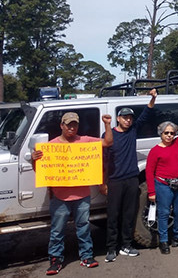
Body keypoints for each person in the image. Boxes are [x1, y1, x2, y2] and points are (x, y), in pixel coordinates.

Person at [33, 112, 114, 275]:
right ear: (61, 126)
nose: (72, 128)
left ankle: (87, 256)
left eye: (75, 125)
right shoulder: (51, 146)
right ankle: (55, 260)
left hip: (82, 196)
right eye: (68, 125)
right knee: (57, 231)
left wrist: (107, 124)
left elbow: (108, 142)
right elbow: (41, 170)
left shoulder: (85, 141)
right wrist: (34, 159)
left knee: (84, 228)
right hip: (59, 197)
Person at [104, 88, 157, 263]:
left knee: (129, 214)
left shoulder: (133, 130)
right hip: (115, 180)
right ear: (118, 118)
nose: (128, 120)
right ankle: (111, 248)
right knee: (113, 215)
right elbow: (103, 159)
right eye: (125, 117)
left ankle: (126, 245)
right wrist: (102, 182)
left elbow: (146, 114)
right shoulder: (109, 134)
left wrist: (152, 99)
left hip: (132, 179)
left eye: (130, 118)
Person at [145, 108, 178, 254]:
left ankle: (177, 237)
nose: (169, 135)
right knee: (163, 213)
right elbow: (149, 172)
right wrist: (151, 192)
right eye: (166, 133)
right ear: (161, 133)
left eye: (172, 133)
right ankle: (163, 241)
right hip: (164, 185)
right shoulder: (155, 151)